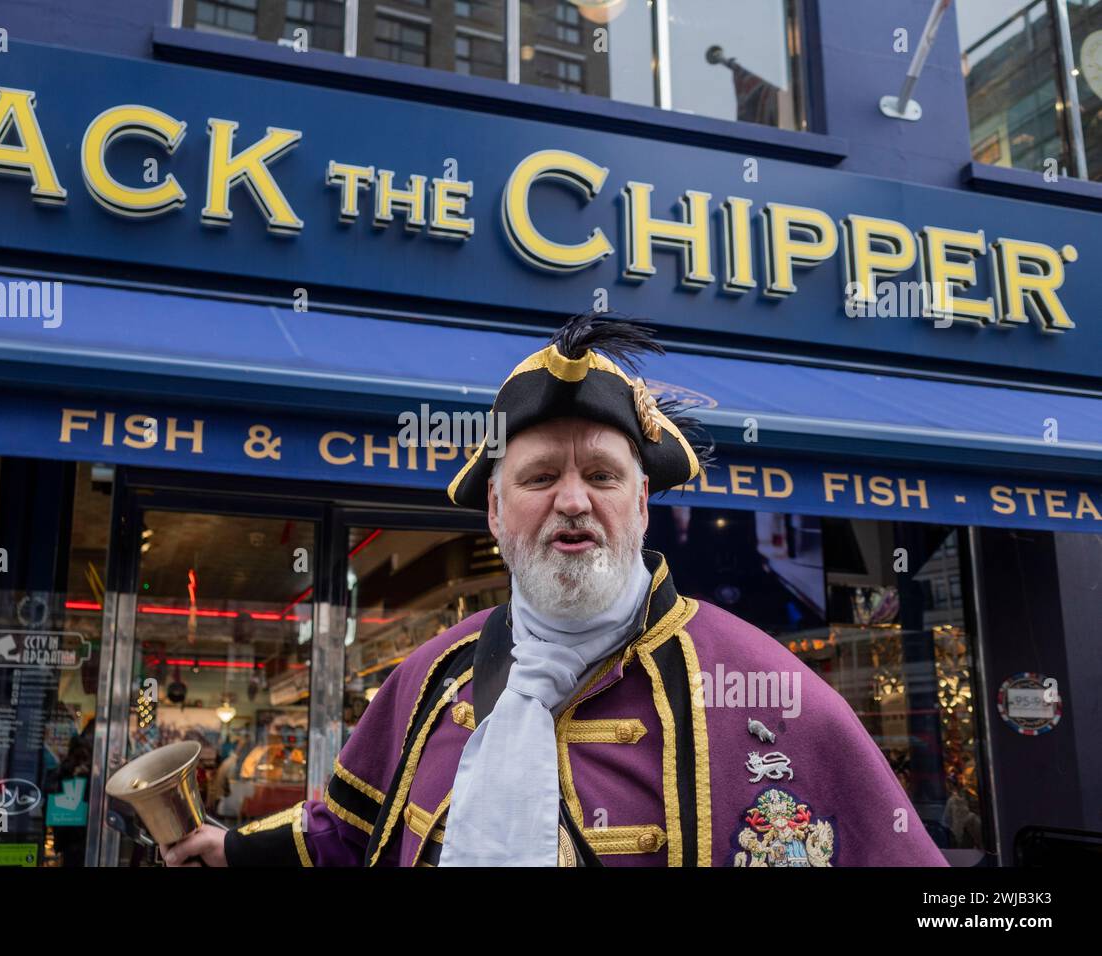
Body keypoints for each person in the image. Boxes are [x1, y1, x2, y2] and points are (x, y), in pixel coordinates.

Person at [164, 312, 947, 867]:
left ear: (641, 504)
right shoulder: (430, 677)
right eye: (540, 477)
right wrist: (230, 847)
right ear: (498, 513)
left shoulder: (768, 685)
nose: (574, 500)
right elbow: (344, 831)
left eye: (602, 476)